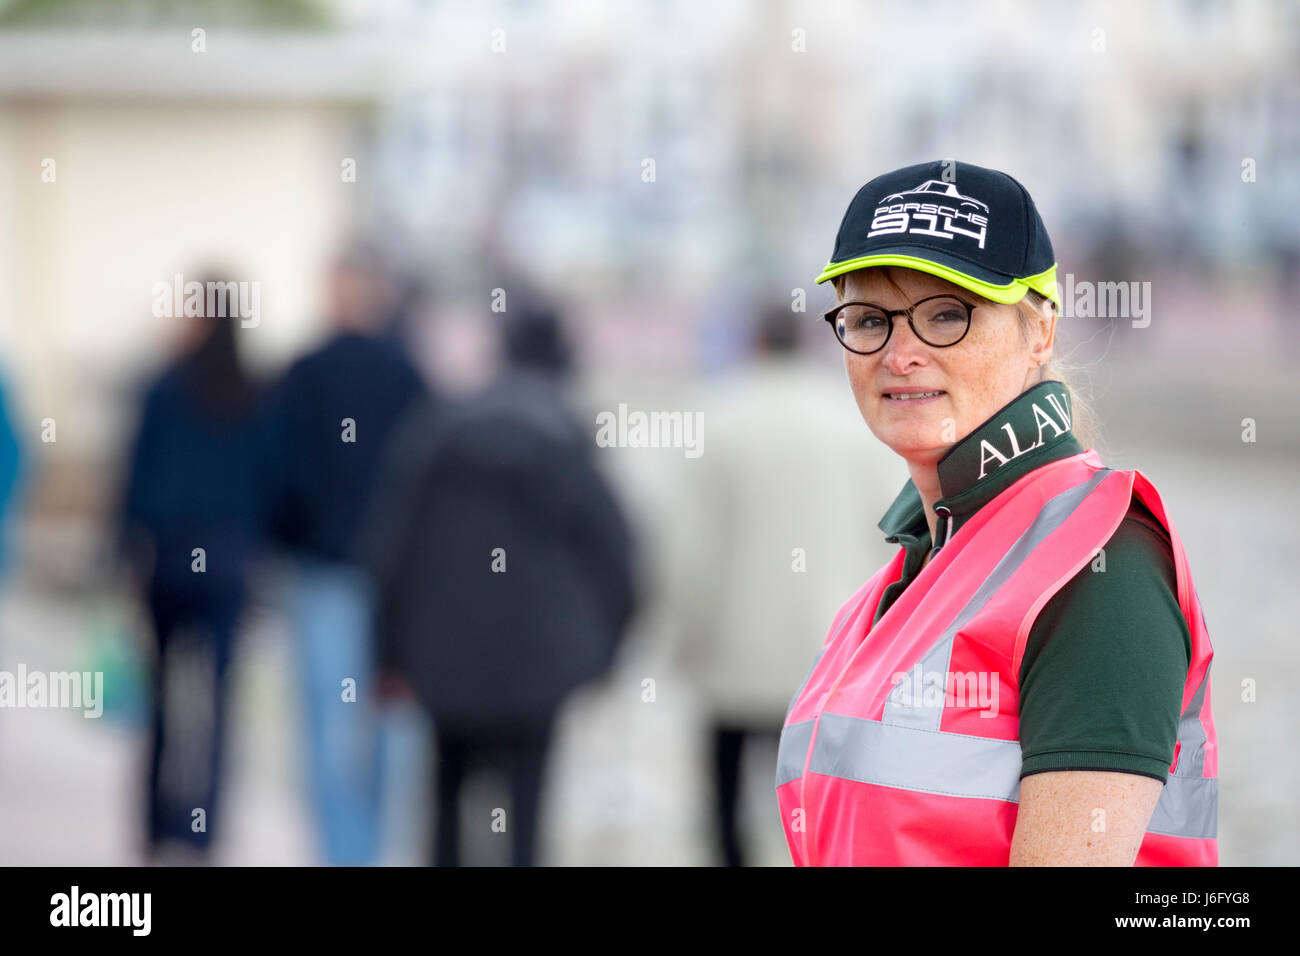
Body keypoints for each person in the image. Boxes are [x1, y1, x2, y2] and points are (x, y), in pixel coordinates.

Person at [776, 160, 1218, 866]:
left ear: (1040, 330)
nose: (901, 353)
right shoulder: (915, 559)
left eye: (948, 314)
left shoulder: (1100, 561)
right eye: (869, 319)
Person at [365, 305, 638, 867]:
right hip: (538, 663)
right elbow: (618, 556)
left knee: (444, 799)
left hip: (444, 657)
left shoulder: (438, 427)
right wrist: (604, 655)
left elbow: (389, 551)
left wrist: (388, 657)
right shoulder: (565, 435)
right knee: (527, 811)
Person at [662, 302, 899, 866]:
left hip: (732, 649)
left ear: (753, 344)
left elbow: (692, 554)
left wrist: (684, 642)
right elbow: (889, 537)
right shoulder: (852, 425)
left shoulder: (718, 422)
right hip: (828, 652)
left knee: (724, 795)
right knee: (820, 803)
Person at [263, 245, 426, 866]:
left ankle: (343, 855)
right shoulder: (407, 376)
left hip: (324, 571)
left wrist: (286, 540)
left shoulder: (303, 375)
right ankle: (373, 852)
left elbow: (276, 473)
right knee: (389, 726)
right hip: (388, 579)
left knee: (329, 729)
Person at [117, 282, 269, 861]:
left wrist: (123, 550)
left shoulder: (166, 385)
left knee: (162, 701)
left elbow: (135, 478)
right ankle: (203, 825)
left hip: (171, 561)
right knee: (218, 702)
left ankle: (157, 821)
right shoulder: (253, 393)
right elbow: (271, 481)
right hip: (230, 562)